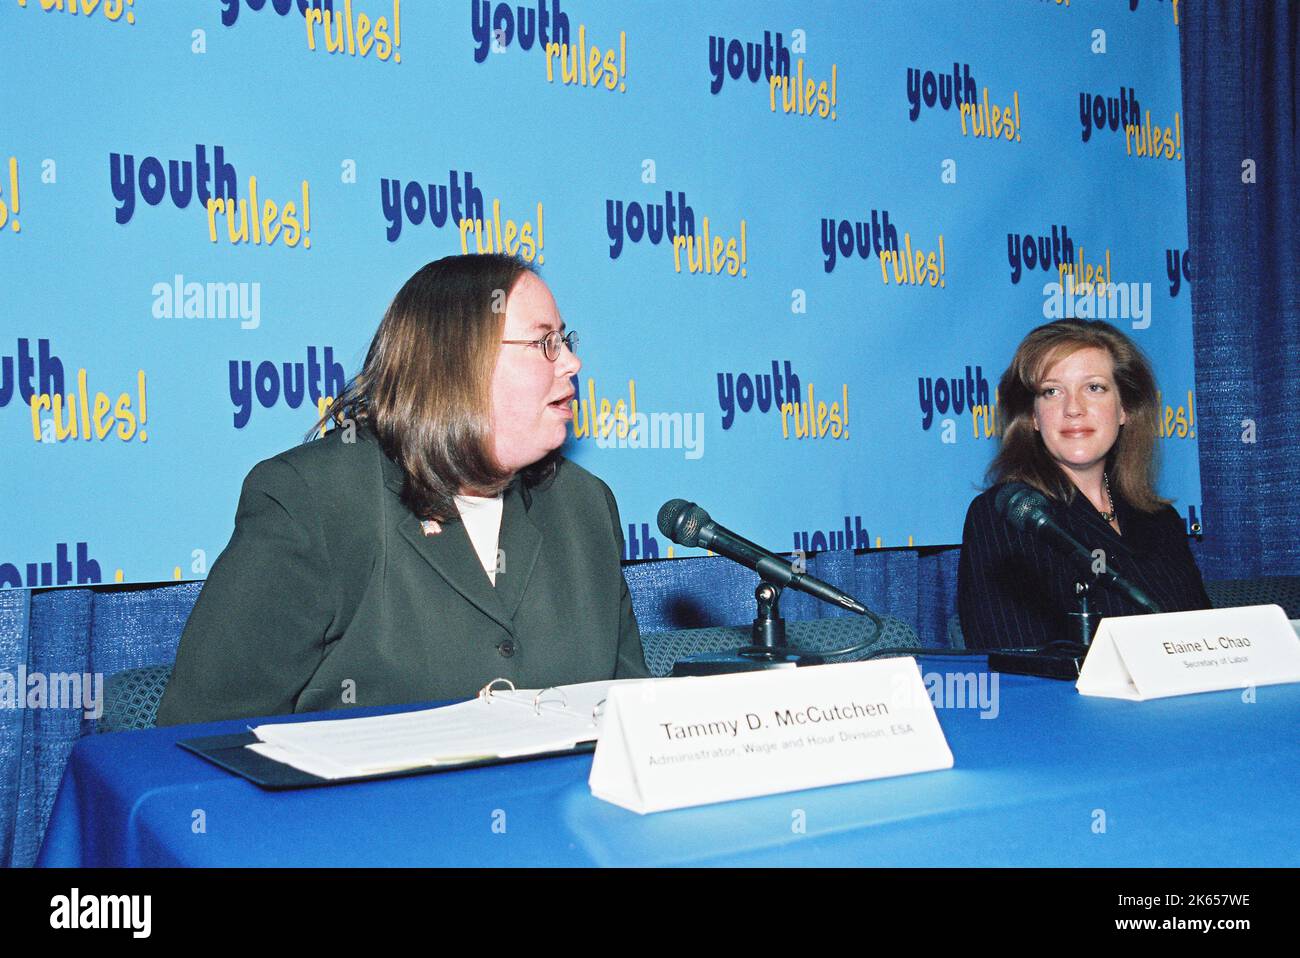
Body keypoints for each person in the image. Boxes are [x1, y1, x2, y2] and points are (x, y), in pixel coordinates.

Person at [157, 254, 648, 726]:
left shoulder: (584, 505)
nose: (573, 363)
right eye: (545, 343)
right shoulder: (315, 500)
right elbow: (200, 740)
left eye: (565, 340)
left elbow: (632, 725)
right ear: (458, 361)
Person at [957, 319, 1210, 651]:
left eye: (1094, 388)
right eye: (1052, 391)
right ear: (1033, 416)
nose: (1073, 409)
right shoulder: (1007, 516)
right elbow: (1018, 666)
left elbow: (1206, 640)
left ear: (1125, 410)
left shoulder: (1160, 519)